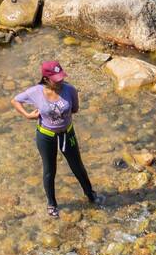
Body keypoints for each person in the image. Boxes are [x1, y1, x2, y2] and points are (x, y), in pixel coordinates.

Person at [10, 60, 99, 218]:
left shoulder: (70, 89)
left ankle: (90, 194)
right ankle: (52, 204)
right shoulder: (35, 92)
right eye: (56, 79)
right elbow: (15, 100)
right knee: (49, 171)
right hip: (46, 136)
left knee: (77, 166)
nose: (60, 81)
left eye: (61, 77)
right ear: (46, 79)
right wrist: (27, 115)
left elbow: (75, 109)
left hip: (67, 134)